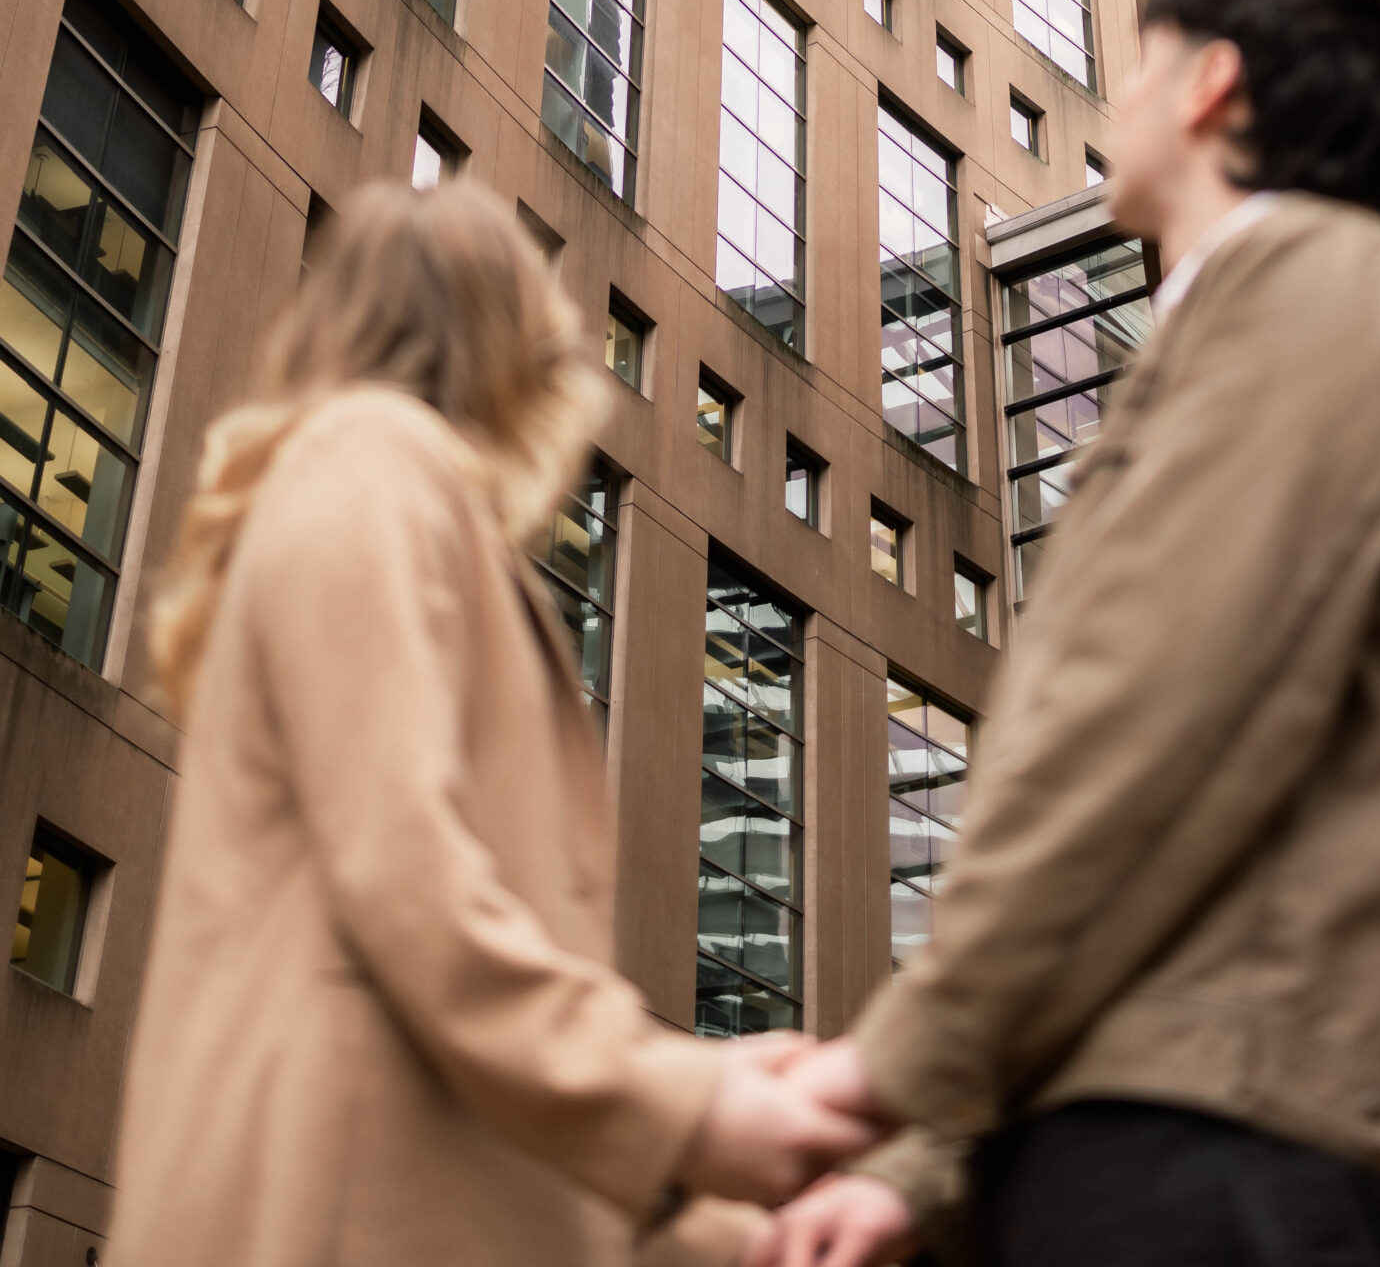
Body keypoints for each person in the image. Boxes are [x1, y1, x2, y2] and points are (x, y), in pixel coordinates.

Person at [759, 0, 1380, 1267]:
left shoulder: (1316, 286)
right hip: (1185, 1128)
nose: (1109, 111)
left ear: (1207, 85)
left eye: (1133, 73)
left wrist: (899, 1067)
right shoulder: (1260, 320)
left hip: (1242, 1149)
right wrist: (917, 1165)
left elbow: (1151, 723)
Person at [104, 181, 873, 1267]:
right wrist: (683, 1105)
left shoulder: (377, 497)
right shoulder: (369, 461)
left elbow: (478, 1042)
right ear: (512, 341)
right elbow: (410, 880)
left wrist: (732, 1229)